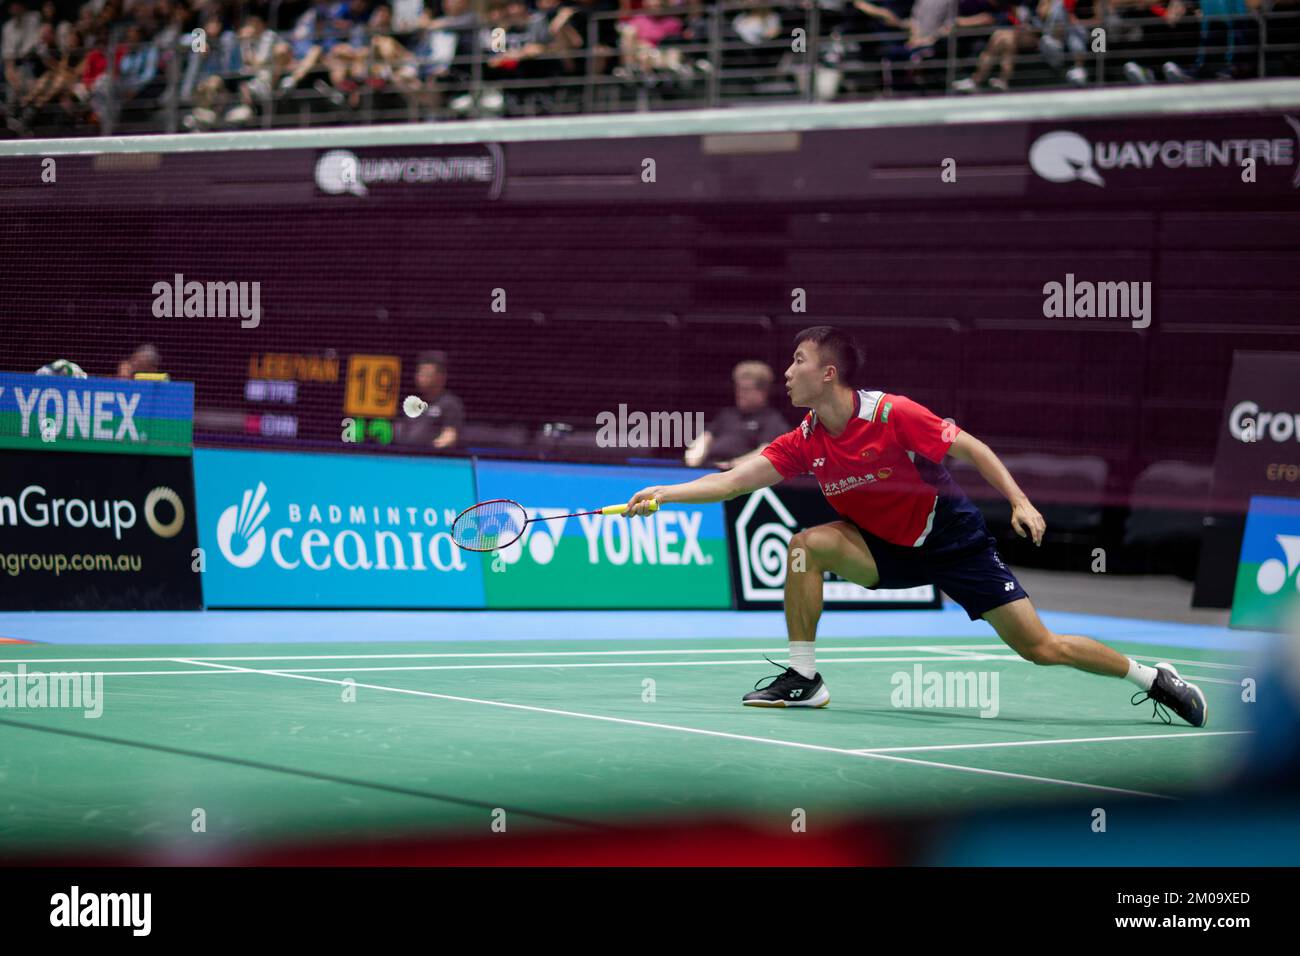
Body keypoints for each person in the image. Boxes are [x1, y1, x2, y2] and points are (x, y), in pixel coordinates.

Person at [625, 326, 1208, 725]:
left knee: (1041, 647)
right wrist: (664, 494)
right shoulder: (806, 439)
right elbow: (732, 481)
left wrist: (1021, 502)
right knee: (805, 547)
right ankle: (804, 676)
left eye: (797, 360)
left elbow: (972, 448)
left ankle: (1152, 677)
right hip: (883, 547)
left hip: (952, 540)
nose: (786, 371)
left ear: (828, 373)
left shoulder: (893, 414)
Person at [684, 360, 788, 470]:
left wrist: (733, 465)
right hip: (711, 471)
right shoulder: (726, 415)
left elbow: (766, 453)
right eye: (738, 388)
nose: (740, 394)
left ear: (762, 392)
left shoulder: (772, 420)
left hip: (743, 475)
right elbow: (705, 439)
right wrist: (693, 460)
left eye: (746, 390)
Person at [395, 350, 465, 450]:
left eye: (426, 373)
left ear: (440, 377)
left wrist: (428, 450)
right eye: (419, 372)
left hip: (430, 459)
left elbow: (450, 436)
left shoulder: (450, 404)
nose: (420, 377)